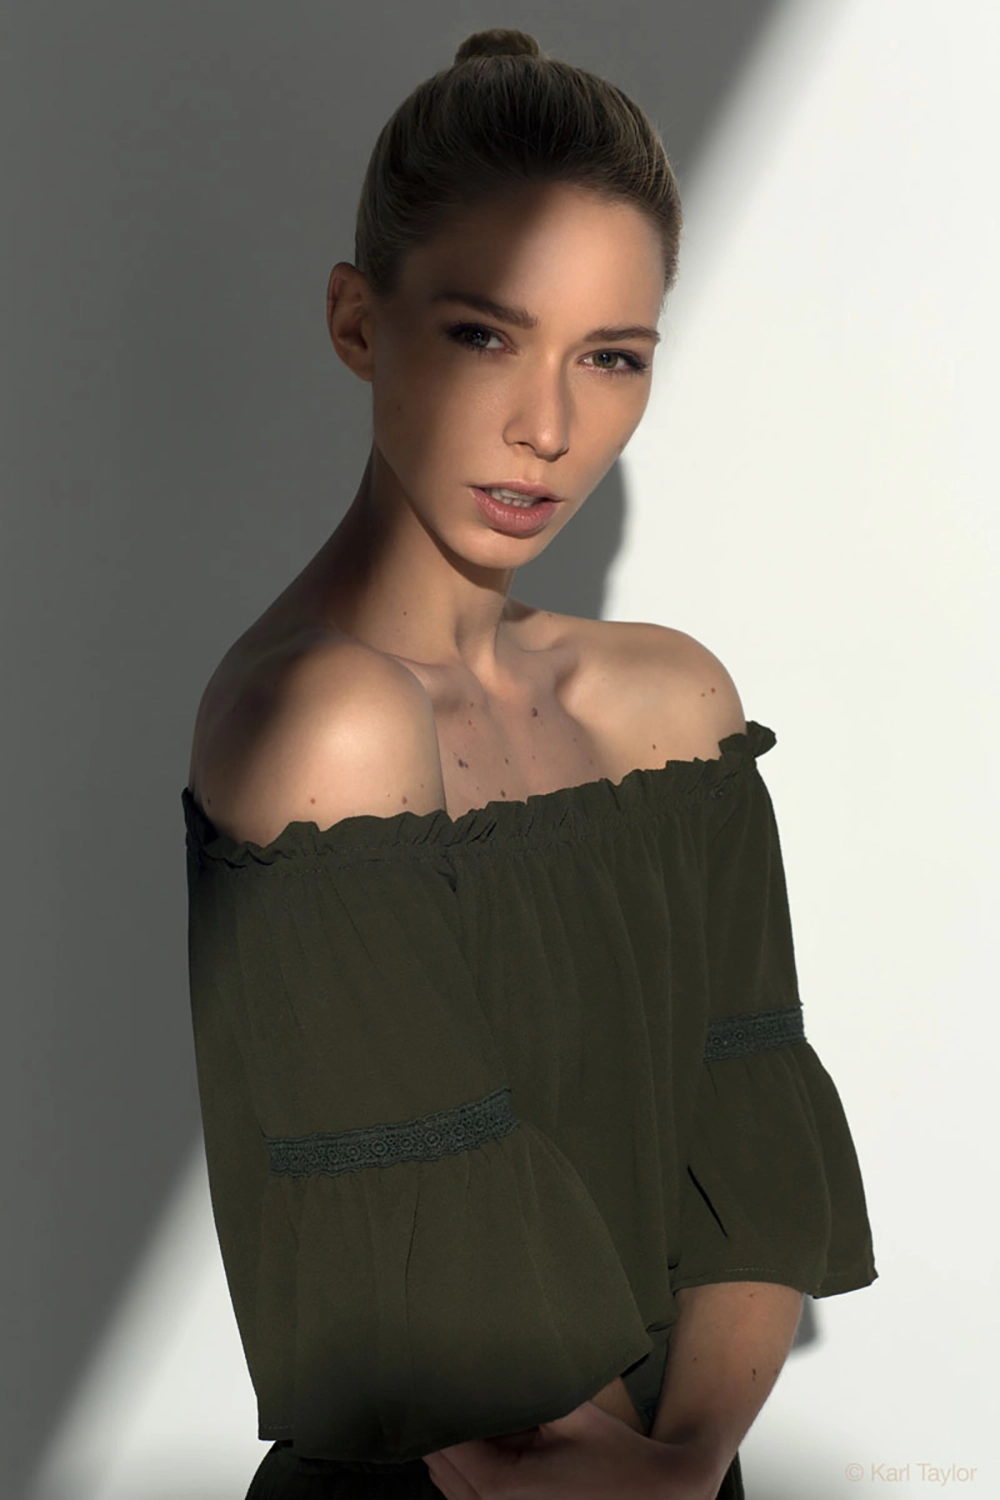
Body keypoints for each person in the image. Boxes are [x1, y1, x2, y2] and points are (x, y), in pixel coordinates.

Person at [181, 26, 878, 1500]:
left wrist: (690, 1467)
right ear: (358, 321)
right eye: (485, 336)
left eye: (611, 357)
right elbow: (476, 1386)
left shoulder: (673, 702)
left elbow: (749, 1153)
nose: (549, 428)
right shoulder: (318, 724)